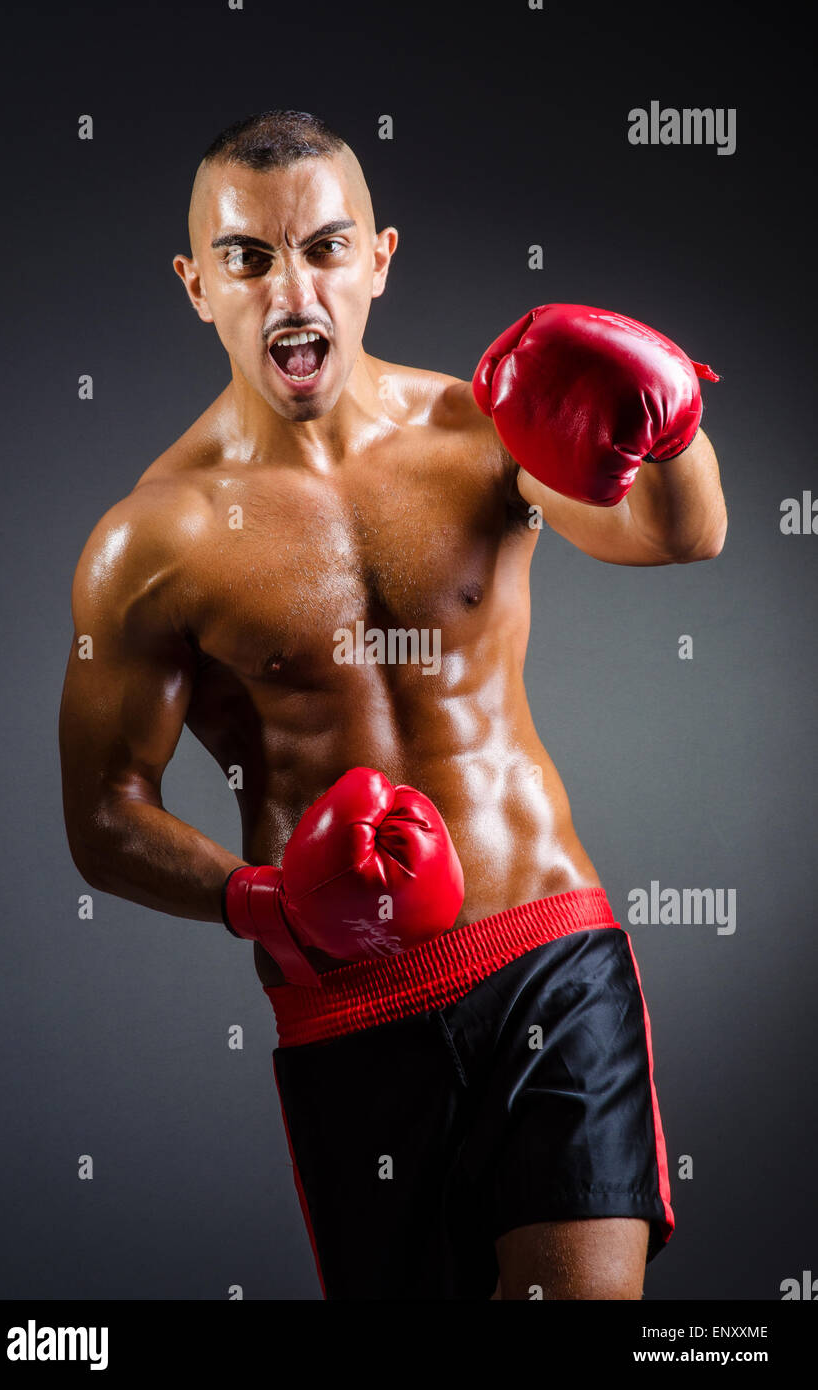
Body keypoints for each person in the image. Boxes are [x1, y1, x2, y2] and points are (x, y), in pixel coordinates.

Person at [59, 109, 726, 1301]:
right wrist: (260, 899)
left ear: (379, 258)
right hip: (349, 1013)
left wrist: (671, 421)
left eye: (323, 247)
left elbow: (681, 537)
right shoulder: (145, 542)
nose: (290, 288)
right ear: (196, 285)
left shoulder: (485, 430)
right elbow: (103, 815)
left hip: (546, 957)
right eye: (247, 258)